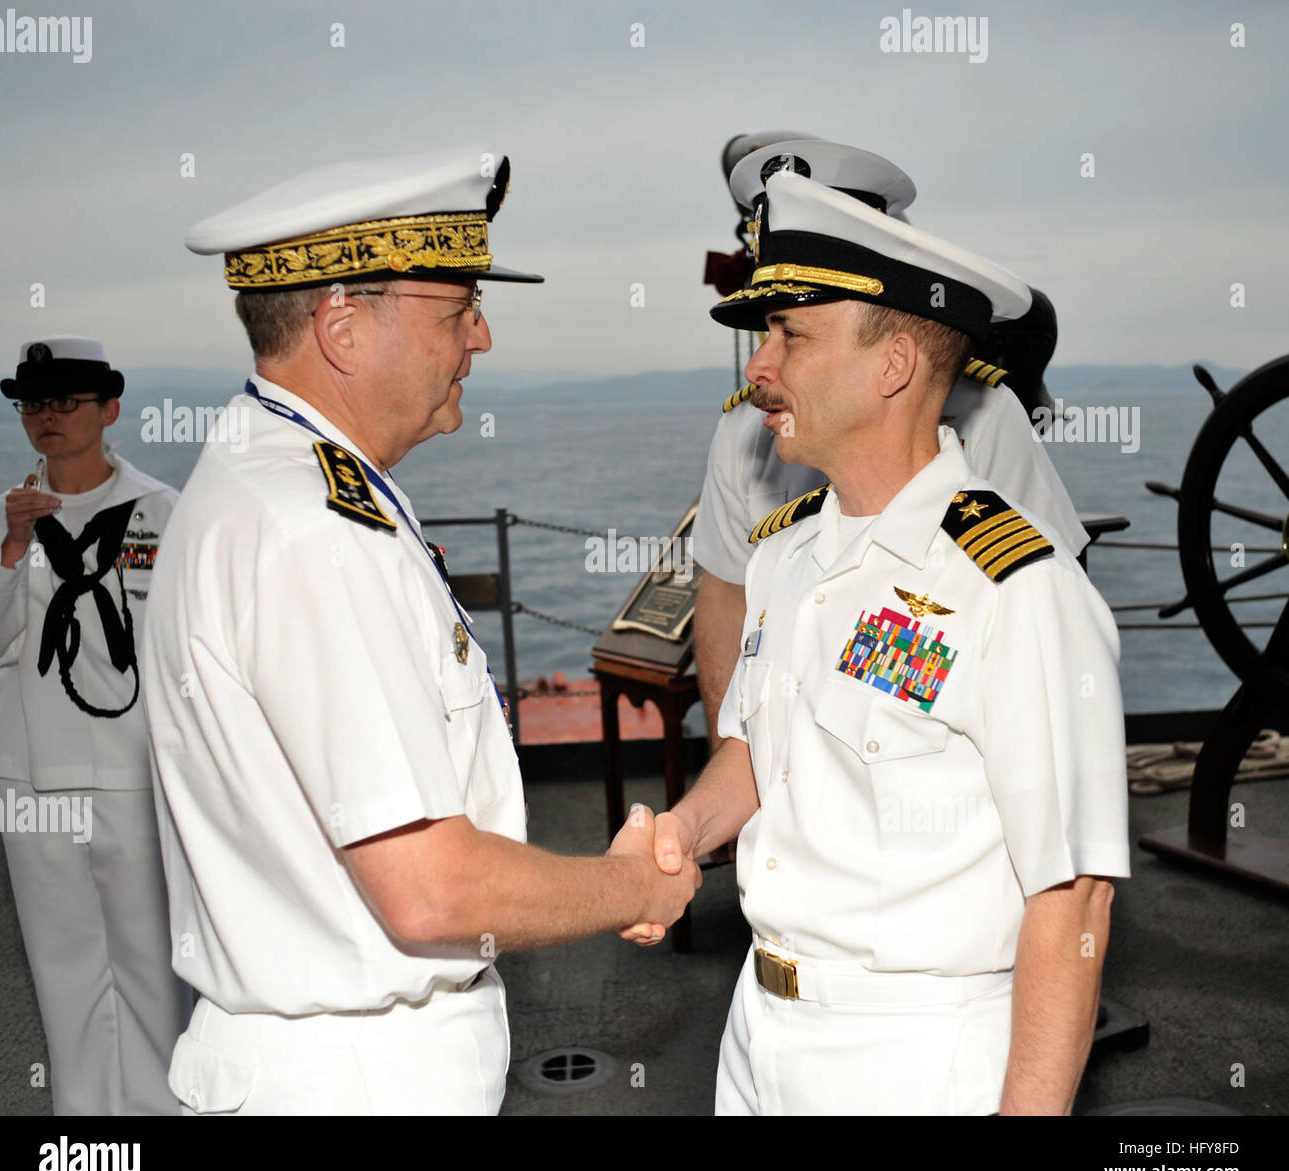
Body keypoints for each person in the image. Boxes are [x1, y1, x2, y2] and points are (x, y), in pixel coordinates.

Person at [144, 147, 700, 1116]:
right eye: (456, 310)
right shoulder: (314, 531)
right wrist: (629, 889)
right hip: (356, 1079)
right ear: (344, 328)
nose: (479, 337)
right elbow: (430, 891)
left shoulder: (263, 481)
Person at [634, 170, 1130, 1114]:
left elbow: (1073, 901)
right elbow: (754, 749)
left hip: (919, 1056)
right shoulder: (787, 555)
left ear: (894, 363)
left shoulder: (1016, 591)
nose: (758, 368)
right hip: (758, 1034)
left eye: (791, 335)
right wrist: (683, 833)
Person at [691, 138, 1088, 753]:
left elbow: (1047, 607)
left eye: (793, 333)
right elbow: (726, 593)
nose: (760, 368)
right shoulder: (764, 490)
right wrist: (736, 789)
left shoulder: (988, 418)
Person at [0, 335, 189, 1114]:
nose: (47, 418)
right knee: (63, 970)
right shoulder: (4, 518)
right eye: (34, 404)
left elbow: (185, 650)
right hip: (33, 775)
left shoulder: (161, 513)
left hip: (131, 772)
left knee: (149, 967)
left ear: (109, 408)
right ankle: (88, 1134)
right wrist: (10, 551)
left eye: (66, 402)